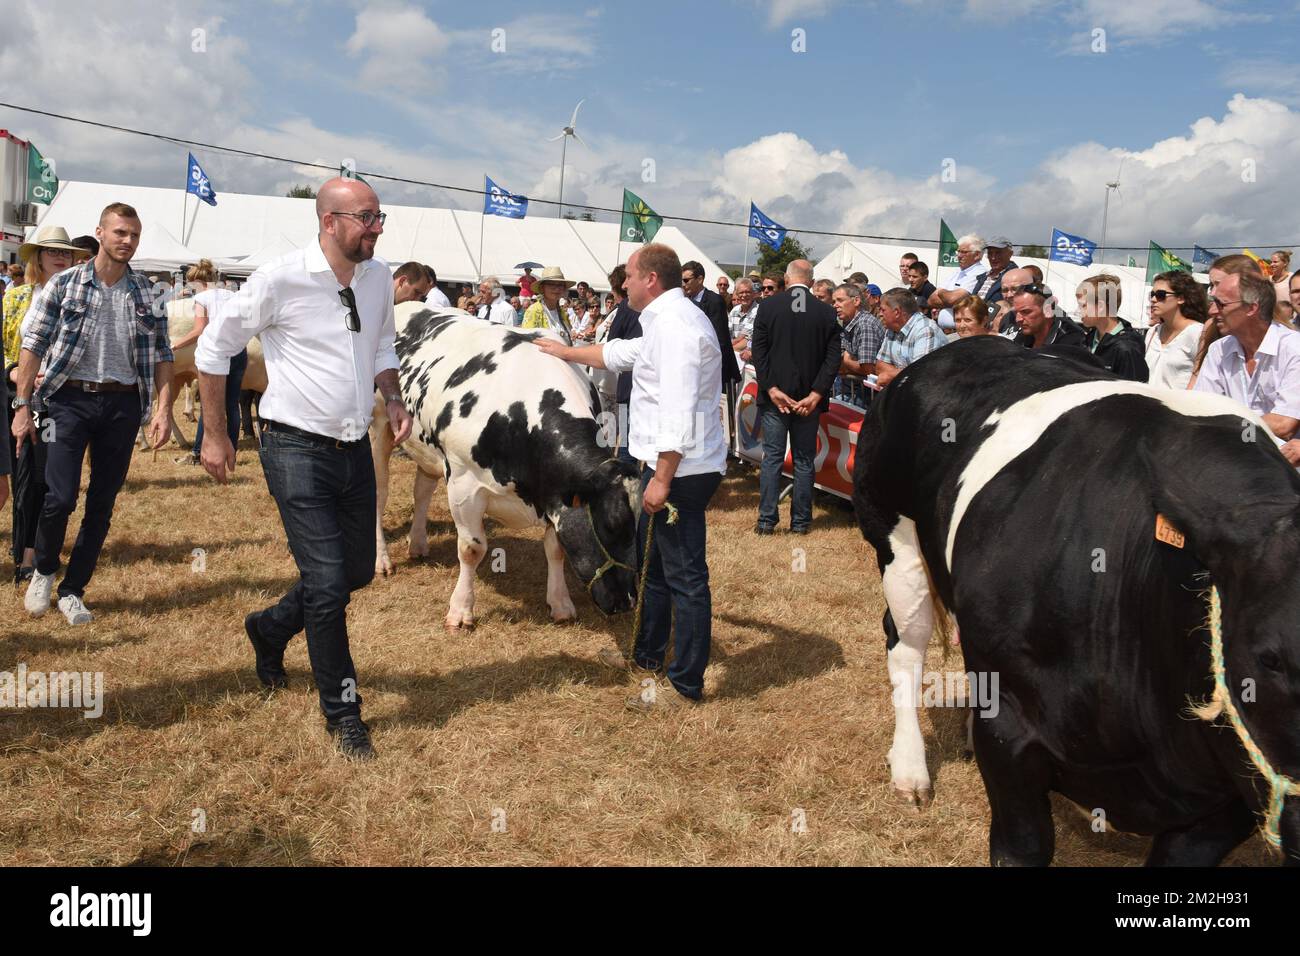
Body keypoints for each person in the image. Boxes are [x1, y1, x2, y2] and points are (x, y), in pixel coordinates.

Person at [196, 177, 414, 761]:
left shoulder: (376, 279)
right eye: (365, 218)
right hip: (294, 449)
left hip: (354, 447)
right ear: (328, 221)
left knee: (356, 572)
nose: (376, 227)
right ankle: (344, 714)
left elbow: (385, 347)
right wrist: (216, 434)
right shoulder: (280, 278)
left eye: (378, 217)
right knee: (325, 588)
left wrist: (392, 398)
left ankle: (268, 629)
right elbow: (214, 348)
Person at [532, 243, 727, 709]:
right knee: (653, 569)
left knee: (685, 577)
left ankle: (686, 684)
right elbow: (618, 354)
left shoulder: (678, 327)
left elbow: (678, 410)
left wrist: (661, 478)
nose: (623, 284)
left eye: (630, 277)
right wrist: (563, 351)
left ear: (651, 280)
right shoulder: (662, 321)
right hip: (664, 466)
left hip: (680, 472)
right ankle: (646, 657)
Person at [13, 203, 174, 625]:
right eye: (120, 232)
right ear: (99, 233)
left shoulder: (147, 292)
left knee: (102, 502)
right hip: (68, 400)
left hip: (122, 405)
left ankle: (73, 590)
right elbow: (33, 344)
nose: (128, 241)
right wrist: (22, 404)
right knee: (59, 497)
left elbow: (162, 354)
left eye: (135, 235)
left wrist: (164, 408)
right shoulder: (66, 284)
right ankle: (45, 571)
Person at [4, 226, 85, 585]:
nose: (59, 257)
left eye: (65, 252)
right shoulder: (16, 299)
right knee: (22, 480)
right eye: (52, 251)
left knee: (45, 478)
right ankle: (24, 549)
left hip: (57, 402)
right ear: (37, 257)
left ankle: (34, 551)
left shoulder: (79, 301)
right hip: (14, 399)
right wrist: (14, 372)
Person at [750, 259, 842, 535]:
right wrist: (816, 394)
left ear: (788, 280)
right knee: (803, 460)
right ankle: (800, 523)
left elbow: (759, 352)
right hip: (806, 401)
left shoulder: (767, 307)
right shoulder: (826, 313)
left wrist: (772, 389)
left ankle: (767, 521)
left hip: (777, 399)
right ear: (811, 282)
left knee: (773, 458)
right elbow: (833, 358)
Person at [1194, 271, 1299, 465]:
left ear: (1251, 308)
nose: (1212, 311)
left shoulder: (1294, 349)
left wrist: (1227, 429)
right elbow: (1201, 411)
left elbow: (1284, 424)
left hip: (1283, 474)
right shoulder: (1219, 350)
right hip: (1233, 466)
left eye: (1221, 304)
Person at [172, 259, 247, 466]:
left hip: (215, 355)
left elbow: (199, 330)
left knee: (210, 405)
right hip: (239, 352)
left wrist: (176, 346)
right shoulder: (234, 295)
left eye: (191, 284)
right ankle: (231, 450)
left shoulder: (202, 298)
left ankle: (198, 453)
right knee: (232, 405)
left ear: (197, 281)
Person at [681, 260, 740, 395]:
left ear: (700, 279)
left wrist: (714, 373)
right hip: (696, 371)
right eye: (682, 281)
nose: (683, 285)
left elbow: (720, 340)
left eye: (686, 280)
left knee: (709, 413)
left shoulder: (714, 301)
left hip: (714, 371)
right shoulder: (685, 301)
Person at [603, 263, 642, 466]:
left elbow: (612, 344)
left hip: (629, 385)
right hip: (644, 387)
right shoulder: (653, 305)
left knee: (627, 446)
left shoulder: (626, 308)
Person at [1075, 273, 1148, 381]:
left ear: (1100, 306)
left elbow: (1133, 394)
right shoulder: (1088, 339)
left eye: (1083, 305)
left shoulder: (1127, 349)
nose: (1077, 311)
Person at [1144, 270, 1207, 390]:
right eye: (1151, 294)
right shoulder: (1152, 333)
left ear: (1181, 298)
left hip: (1179, 407)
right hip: (1149, 406)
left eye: (1160, 295)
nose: (1153, 299)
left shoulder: (1197, 333)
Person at [874, 288, 948, 388]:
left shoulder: (925, 330)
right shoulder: (891, 328)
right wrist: (903, 375)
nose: (880, 314)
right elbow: (879, 366)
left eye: (883, 310)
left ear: (896, 312)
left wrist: (892, 376)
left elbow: (920, 376)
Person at [833, 282, 884, 407]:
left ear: (856, 301)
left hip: (868, 397)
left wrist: (847, 361)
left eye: (840, 300)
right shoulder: (848, 322)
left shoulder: (865, 325)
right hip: (854, 391)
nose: (835, 305)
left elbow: (868, 368)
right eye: (834, 301)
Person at [929, 234, 988, 331]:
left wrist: (940, 292)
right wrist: (949, 299)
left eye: (964, 252)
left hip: (962, 332)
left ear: (977, 255)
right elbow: (931, 300)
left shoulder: (979, 273)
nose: (959, 255)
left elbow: (952, 299)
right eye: (958, 251)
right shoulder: (957, 272)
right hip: (946, 331)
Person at [1011, 282, 1087, 352]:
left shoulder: (1071, 342)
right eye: (1015, 312)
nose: (1018, 319)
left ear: (1048, 310)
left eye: (1026, 312)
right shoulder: (1023, 334)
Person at [520, 266, 573, 343]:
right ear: (542, 288)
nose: (557, 288)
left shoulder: (562, 313)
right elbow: (526, 343)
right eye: (552, 284)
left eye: (560, 285)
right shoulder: (533, 311)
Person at [727, 277, 758, 364]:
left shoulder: (758, 311)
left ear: (753, 293)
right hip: (733, 358)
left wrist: (726, 349)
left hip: (749, 361)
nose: (744, 295)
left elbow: (744, 338)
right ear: (736, 294)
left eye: (747, 292)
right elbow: (727, 332)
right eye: (741, 292)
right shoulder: (734, 310)